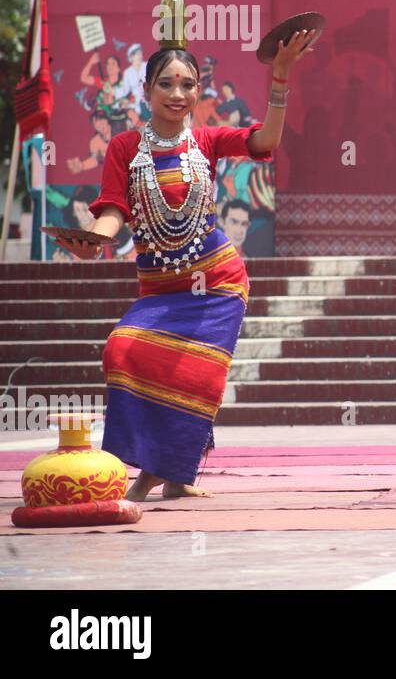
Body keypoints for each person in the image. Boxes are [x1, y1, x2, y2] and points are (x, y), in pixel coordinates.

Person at [53, 30, 318, 500]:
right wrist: (94, 241)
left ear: (199, 90)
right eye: (167, 84)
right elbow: (115, 209)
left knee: (195, 376)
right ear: (147, 90)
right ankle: (157, 467)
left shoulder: (207, 140)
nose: (179, 95)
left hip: (216, 283)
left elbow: (267, 138)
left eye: (188, 85)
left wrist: (280, 78)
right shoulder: (125, 148)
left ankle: (168, 474)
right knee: (122, 350)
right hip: (159, 288)